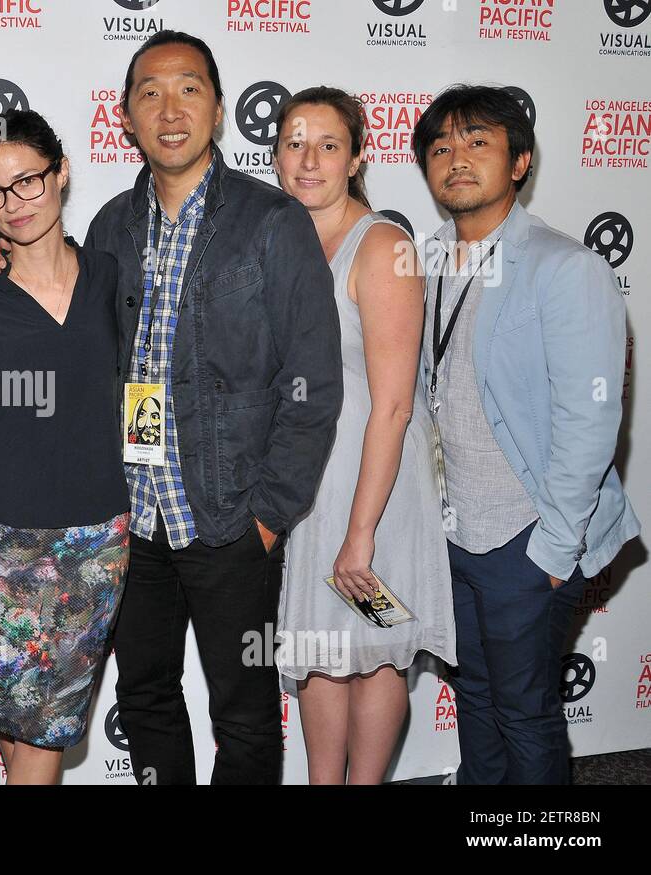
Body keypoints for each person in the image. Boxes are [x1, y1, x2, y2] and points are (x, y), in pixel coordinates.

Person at [0, 31, 343, 785]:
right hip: (129, 518)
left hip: (230, 517)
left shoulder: (273, 222)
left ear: (218, 107)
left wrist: (268, 516)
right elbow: (66, 335)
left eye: (188, 89)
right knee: (145, 695)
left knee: (243, 709)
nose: (169, 109)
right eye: (149, 92)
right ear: (125, 115)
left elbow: (313, 383)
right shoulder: (111, 226)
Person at [411, 84, 639, 784]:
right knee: (475, 696)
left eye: (478, 141)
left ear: (520, 162)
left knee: (526, 709)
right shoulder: (427, 262)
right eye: (442, 146)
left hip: (527, 538)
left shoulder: (566, 267)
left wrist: (551, 549)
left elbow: (592, 416)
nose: (457, 158)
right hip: (455, 535)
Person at [270, 87, 456, 784]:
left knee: (377, 646)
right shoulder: (282, 242)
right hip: (308, 488)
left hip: (373, 489)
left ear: (356, 157)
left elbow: (396, 405)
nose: (308, 158)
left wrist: (361, 530)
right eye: (294, 142)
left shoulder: (383, 245)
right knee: (322, 646)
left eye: (327, 144)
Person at [0, 109, 130, 784]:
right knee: (19, 725)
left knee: (47, 728)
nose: (11, 204)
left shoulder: (111, 278)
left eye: (27, 182)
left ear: (62, 175)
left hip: (94, 540)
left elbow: (143, 386)